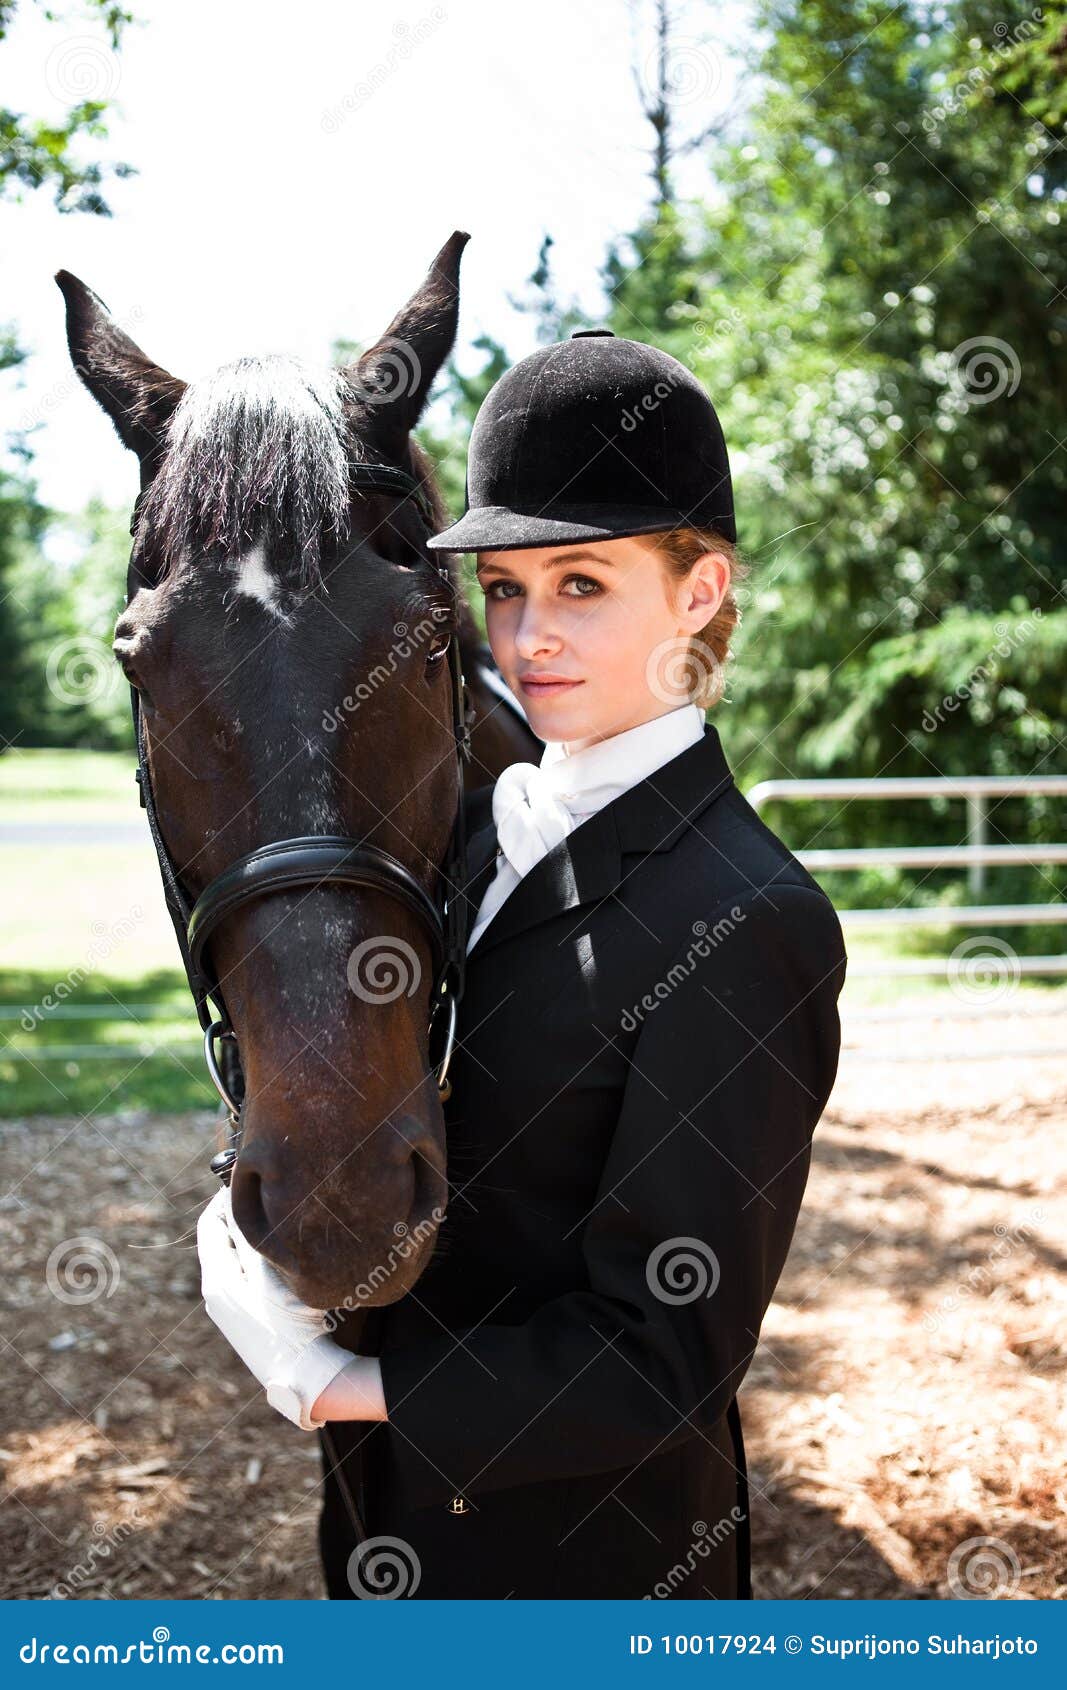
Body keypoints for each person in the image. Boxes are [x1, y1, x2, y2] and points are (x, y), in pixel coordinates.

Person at [198, 328, 847, 1600]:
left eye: (582, 585)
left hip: (588, 1572)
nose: (529, 635)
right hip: (391, 1545)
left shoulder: (749, 916)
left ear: (700, 591)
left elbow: (666, 1359)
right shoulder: (476, 838)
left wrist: (346, 1387)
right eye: (503, 590)